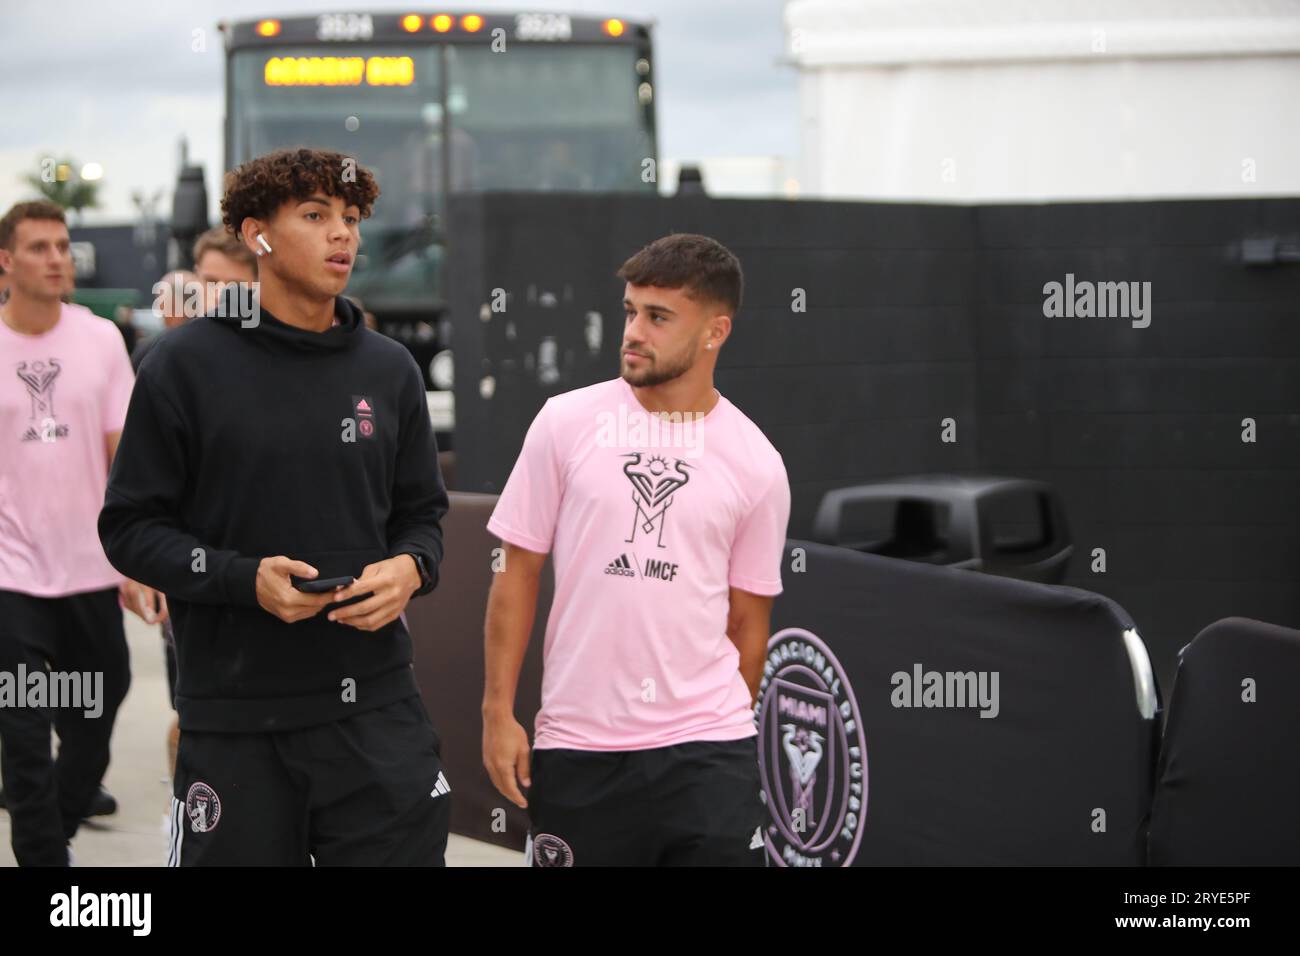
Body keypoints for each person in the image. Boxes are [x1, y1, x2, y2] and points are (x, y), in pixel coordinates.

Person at [99, 148, 451, 866]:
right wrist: (240, 579)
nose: (342, 235)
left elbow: (422, 517)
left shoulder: (390, 370)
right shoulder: (180, 366)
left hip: (377, 713)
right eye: (317, 216)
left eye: (350, 218)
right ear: (257, 234)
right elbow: (129, 529)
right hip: (235, 723)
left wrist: (412, 569)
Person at [482, 233, 791, 866]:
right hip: (578, 747)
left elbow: (748, 625)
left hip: (709, 752)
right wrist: (497, 712)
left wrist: (714, 732)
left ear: (714, 332)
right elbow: (516, 577)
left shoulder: (757, 462)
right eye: (629, 311)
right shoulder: (564, 423)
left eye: (658, 317)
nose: (634, 331)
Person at [0, 200, 158, 866]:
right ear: (6, 261)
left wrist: (136, 559)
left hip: (92, 569)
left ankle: (54, 825)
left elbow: (126, 457)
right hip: (10, 576)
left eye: (62, 245)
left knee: (97, 712)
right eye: (39, 247)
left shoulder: (99, 339)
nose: (57, 258)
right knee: (27, 731)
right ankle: (46, 864)